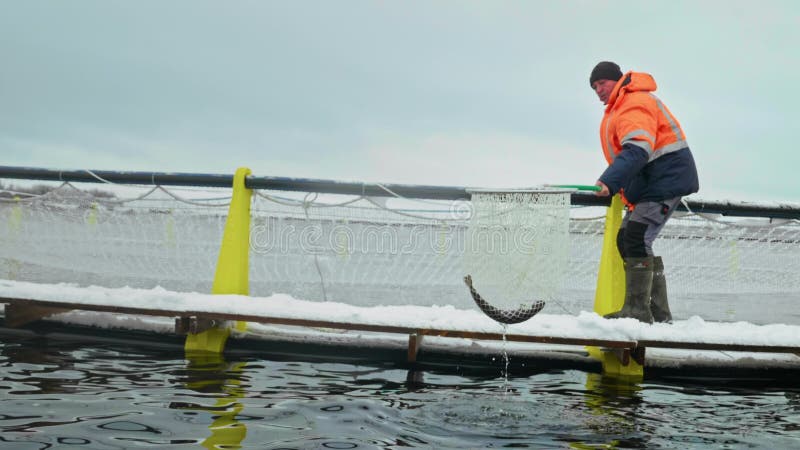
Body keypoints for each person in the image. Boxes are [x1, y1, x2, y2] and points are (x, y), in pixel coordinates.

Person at [589, 61, 699, 323]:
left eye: (602, 83)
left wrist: (609, 182)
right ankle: (657, 313)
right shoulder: (619, 108)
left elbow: (638, 149)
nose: (598, 90)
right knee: (626, 237)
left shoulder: (634, 101)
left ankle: (639, 310)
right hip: (653, 182)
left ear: (616, 80)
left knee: (636, 236)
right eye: (594, 87)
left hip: (667, 179)